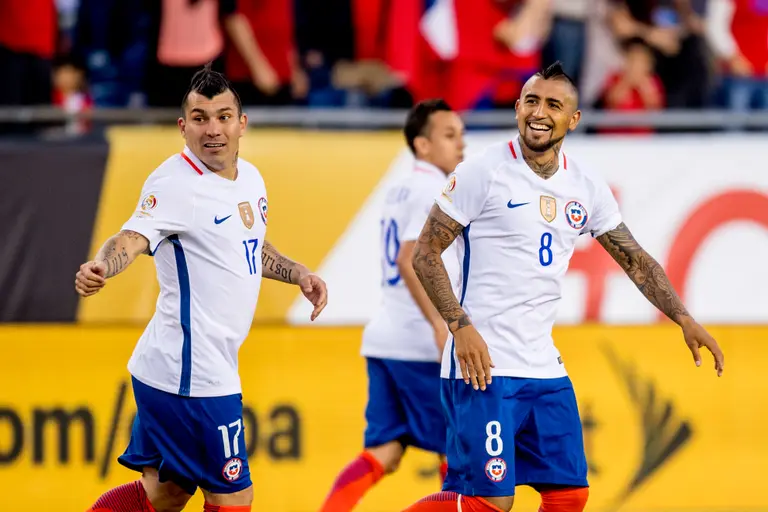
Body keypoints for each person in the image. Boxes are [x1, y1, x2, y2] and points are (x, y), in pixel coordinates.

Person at [401, 61, 724, 512]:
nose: (539, 112)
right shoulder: (484, 171)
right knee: (492, 502)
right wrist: (459, 325)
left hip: (543, 367)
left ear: (573, 119)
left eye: (553, 104)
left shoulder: (585, 185)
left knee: (570, 496)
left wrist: (684, 318)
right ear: (517, 108)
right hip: (484, 365)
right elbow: (425, 252)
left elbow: (634, 258)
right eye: (531, 101)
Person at [74, 66, 328, 512]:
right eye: (200, 117)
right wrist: (101, 265)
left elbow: (248, 245)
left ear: (242, 123)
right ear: (183, 126)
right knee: (233, 497)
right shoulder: (173, 184)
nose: (213, 129)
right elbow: (132, 237)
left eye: (223, 116)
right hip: (190, 375)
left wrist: (297, 273)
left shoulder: (250, 178)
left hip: (185, 367)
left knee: (167, 493)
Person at [318, 99, 465, 512]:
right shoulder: (428, 190)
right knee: (457, 453)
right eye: (450, 135)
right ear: (422, 145)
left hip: (386, 337)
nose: (461, 145)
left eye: (461, 135)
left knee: (385, 451)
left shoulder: (401, 186)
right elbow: (408, 258)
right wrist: (440, 325)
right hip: (419, 343)